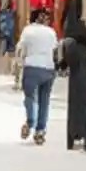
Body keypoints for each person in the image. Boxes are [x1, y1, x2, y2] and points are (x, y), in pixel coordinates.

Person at [16, 9, 59, 145]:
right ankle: (40, 130)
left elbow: (20, 48)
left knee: (30, 98)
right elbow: (54, 50)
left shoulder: (28, 30)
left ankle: (30, 122)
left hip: (32, 66)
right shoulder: (51, 32)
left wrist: (18, 64)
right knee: (44, 100)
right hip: (48, 68)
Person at [61, 22, 86, 153]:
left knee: (75, 108)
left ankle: (74, 135)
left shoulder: (70, 43)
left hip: (77, 78)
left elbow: (66, 63)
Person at [0, 0, 18, 86]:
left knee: (4, 52)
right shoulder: (12, 14)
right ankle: (10, 69)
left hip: (4, 34)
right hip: (10, 34)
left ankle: (6, 69)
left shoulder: (3, 14)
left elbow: (1, 23)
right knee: (11, 52)